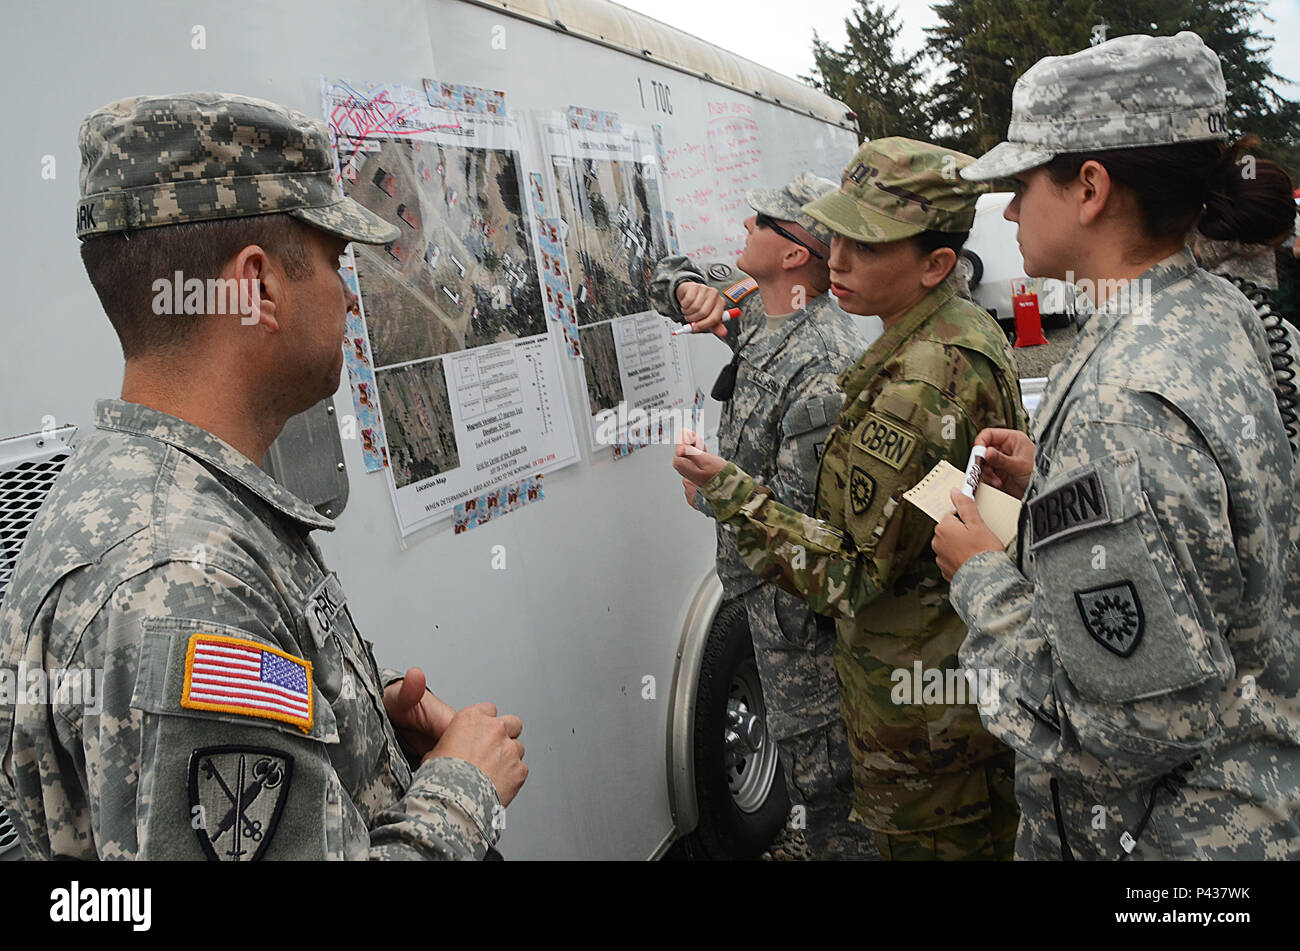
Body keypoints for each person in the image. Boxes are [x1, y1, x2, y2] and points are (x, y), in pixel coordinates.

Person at [0, 93, 527, 860]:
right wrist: (463, 791)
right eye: (335, 261)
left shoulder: (146, 495)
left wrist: (354, 721)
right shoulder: (183, 581)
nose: (347, 295)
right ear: (257, 288)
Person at [932, 32, 1300, 860]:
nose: (1012, 211)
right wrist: (1059, 481)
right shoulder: (1216, 312)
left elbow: (1127, 731)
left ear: (1091, 188)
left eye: (1023, 185)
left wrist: (981, 574)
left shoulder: (1121, 401)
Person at [674, 138, 1030, 860]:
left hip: (922, 722)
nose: (836, 260)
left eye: (865, 246)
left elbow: (849, 574)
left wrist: (725, 489)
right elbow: (945, 513)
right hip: (941, 690)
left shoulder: (917, 385)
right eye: (836, 236)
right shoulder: (953, 335)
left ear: (935, 265)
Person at [650, 174, 873, 859]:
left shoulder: (822, 362)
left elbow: (810, 529)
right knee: (812, 782)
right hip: (768, 609)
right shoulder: (759, 309)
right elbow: (659, 272)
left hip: (802, 626)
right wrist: (688, 290)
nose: (746, 226)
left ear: (795, 254)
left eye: (762, 222)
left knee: (833, 794)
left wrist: (712, 490)